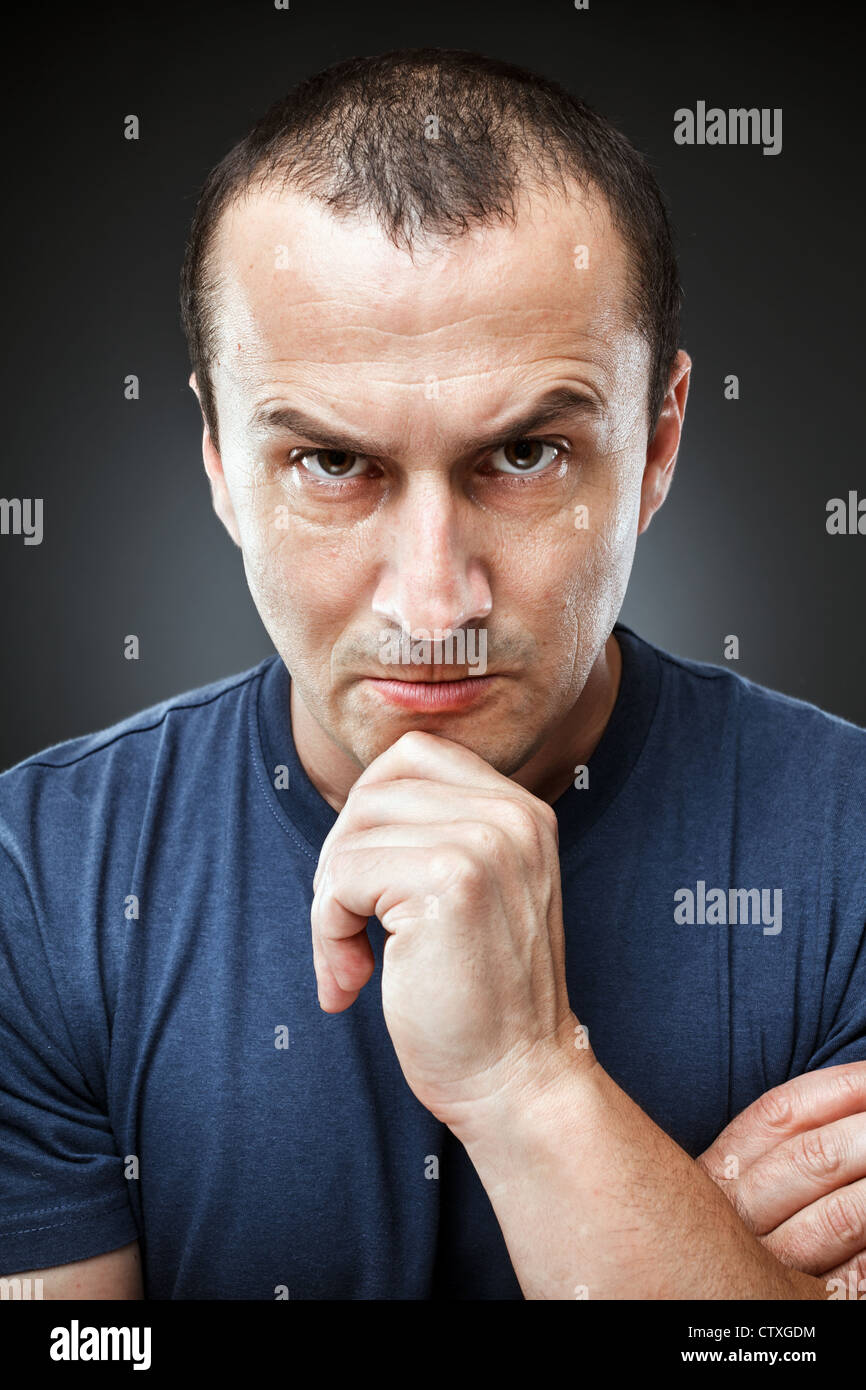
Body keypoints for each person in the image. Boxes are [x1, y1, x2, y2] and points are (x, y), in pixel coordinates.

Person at [1, 48, 865, 1301]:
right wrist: (710, 1258)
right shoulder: (36, 879)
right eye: (332, 464)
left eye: (523, 452)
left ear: (657, 445)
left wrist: (530, 1082)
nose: (432, 601)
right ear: (219, 463)